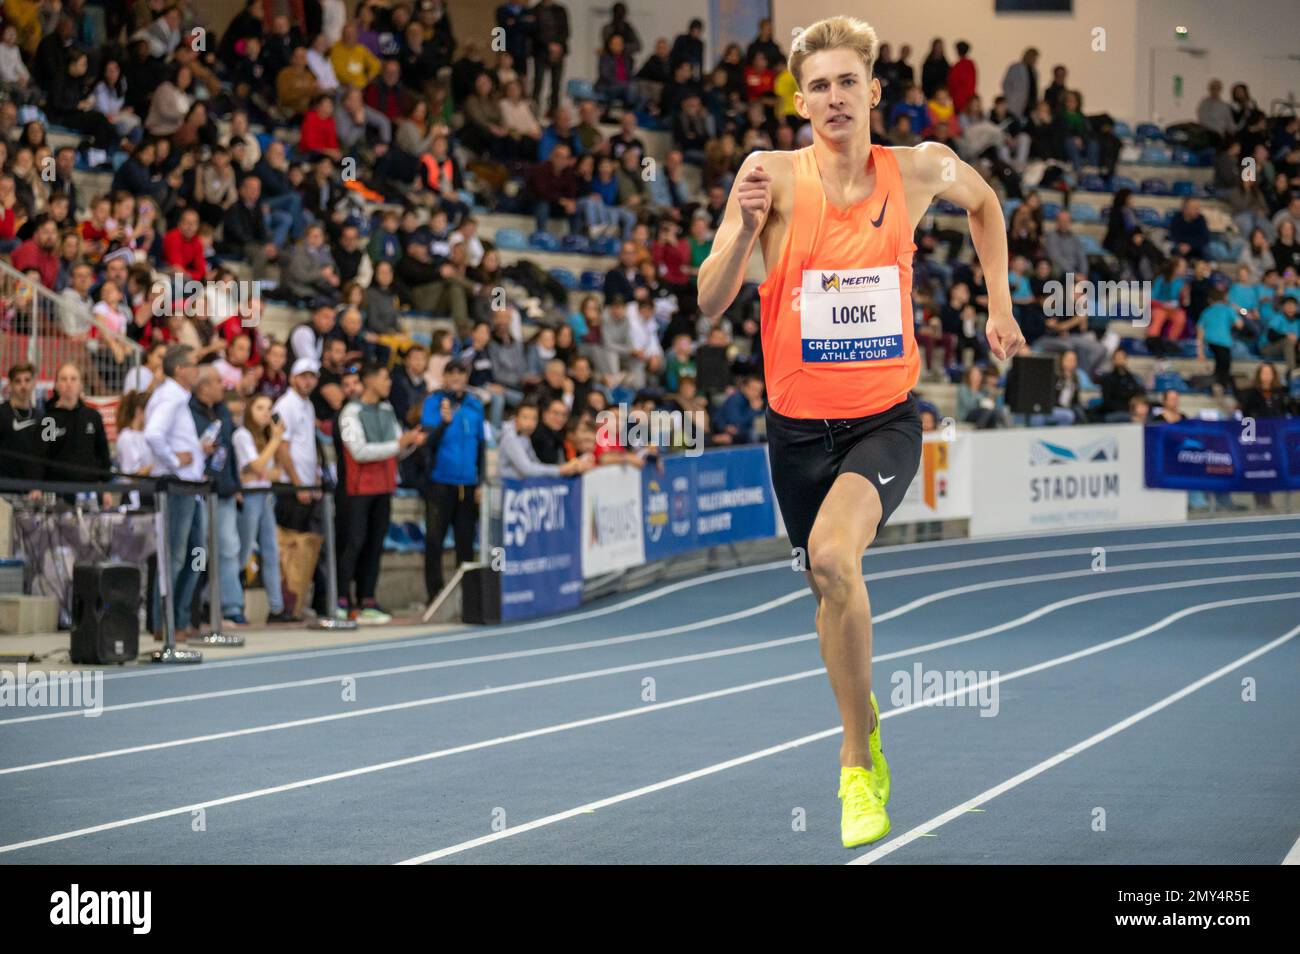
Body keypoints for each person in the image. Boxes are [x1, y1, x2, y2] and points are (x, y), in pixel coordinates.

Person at [696, 15, 1024, 849]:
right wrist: (743, 230)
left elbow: (986, 205)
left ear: (874, 91)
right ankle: (862, 716)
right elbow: (709, 299)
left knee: (837, 557)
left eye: (849, 82)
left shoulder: (917, 169)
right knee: (828, 589)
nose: (835, 97)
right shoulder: (769, 174)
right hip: (796, 432)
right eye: (820, 86)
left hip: (884, 420)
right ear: (800, 102)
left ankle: (853, 759)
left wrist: (999, 303)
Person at [336, 363, 426, 623]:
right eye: (385, 378)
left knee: (375, 545)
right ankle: (341, 599)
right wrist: (398, 444)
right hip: (358, 489)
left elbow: (397, 449)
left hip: (384, 487)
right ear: (370, 380)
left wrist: (410, 443)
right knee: (354, 543)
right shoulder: (350, 413)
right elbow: (358, 451)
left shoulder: (387, 409)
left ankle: (368, 599)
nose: (389, 383)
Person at [419, 359, 485, 601]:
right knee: (434, 541)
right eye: (452, 373)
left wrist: (481, 481)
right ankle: (434, 594)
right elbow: (426, 443)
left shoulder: (475, 405)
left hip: (467, 484)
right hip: (440, 482)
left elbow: (481, 445)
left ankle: (467, 597)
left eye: (461, 373)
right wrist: (444, 423)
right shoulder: (433, 403)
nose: (457, 378)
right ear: (444, 377)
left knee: (465, 543)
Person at [234, 394, 293, 624]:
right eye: (259, 407)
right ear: (249, 410)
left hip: (265, 495)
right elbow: (257, 466)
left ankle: (276, 607)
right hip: (248, 497)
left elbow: (276, 472)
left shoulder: (265, 436)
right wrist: (275, 440)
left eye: (268, 408)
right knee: (243, 551)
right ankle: (224, 601)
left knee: (271, 551)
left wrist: (260, 471)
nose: (266, 413)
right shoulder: (242, 435)